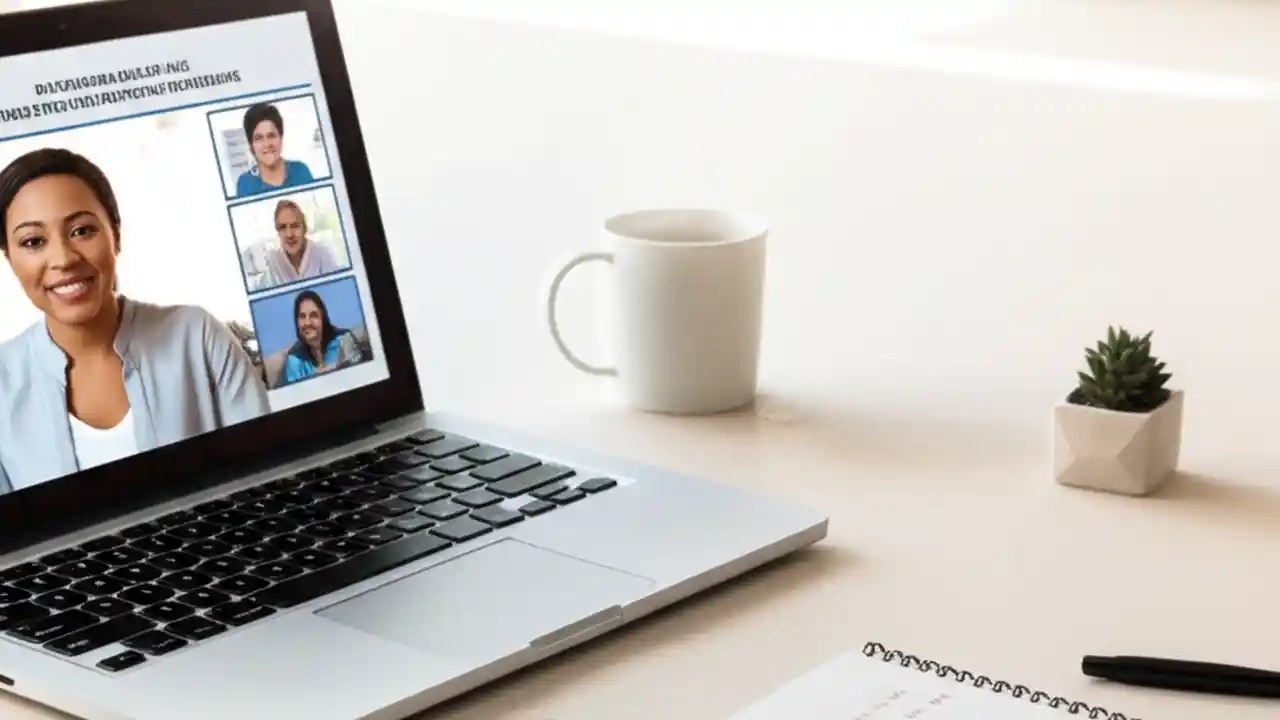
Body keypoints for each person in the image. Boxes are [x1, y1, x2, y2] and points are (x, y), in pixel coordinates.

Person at [0, 148, 271, 494]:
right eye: (33, 241)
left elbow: (267, 480)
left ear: (116, 235)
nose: (63, 259)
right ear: (10, 260)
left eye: (81, 231)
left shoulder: (197, 337)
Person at [281, 289, 364, 385]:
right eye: (302, 316)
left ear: (323, 318)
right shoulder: (294, 360)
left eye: (313, 315)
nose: (307, 323)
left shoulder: (344, 340)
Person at [257, 198, 341, 289]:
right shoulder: (274, 260)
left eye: (295, 226)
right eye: (282, 227)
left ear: (304, 229)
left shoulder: (322, 253)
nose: (289, 234)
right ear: (278, 232)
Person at [234, 103, 314, 196]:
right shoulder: (246, 184)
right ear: (251, 145)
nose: (267, 144)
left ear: (281, 138)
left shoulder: (301, 171)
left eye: (271, 136)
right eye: (259, 138)